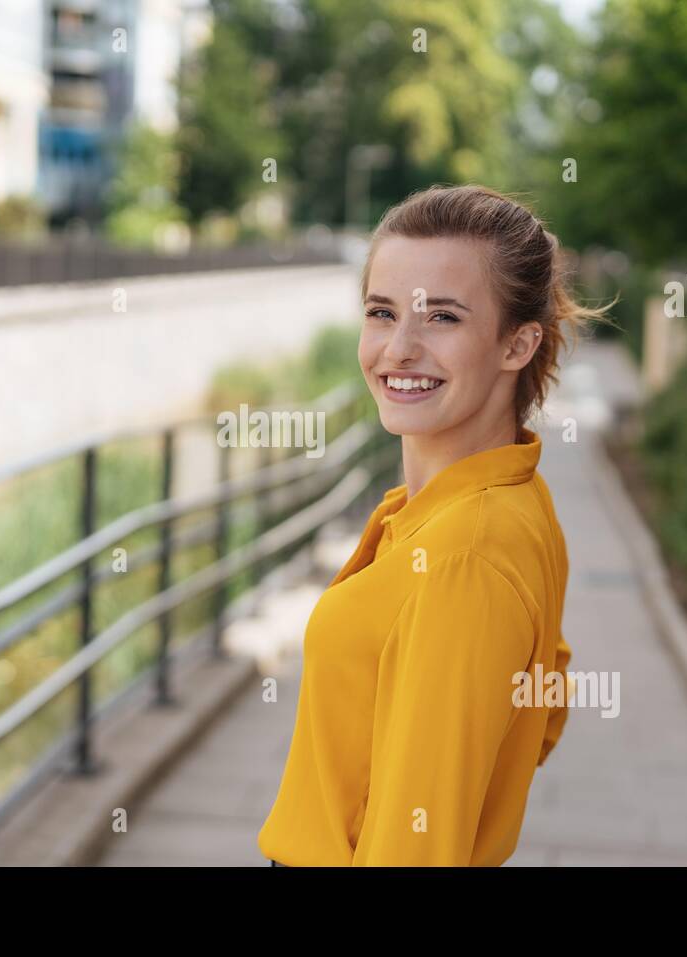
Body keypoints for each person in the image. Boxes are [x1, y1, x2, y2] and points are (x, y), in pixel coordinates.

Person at [257, 183, 612, 866]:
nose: (399, 348)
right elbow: (543, 703)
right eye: (381, 312)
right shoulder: (509, 497)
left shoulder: (463, 554)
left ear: (518, 343)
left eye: (442, 318)